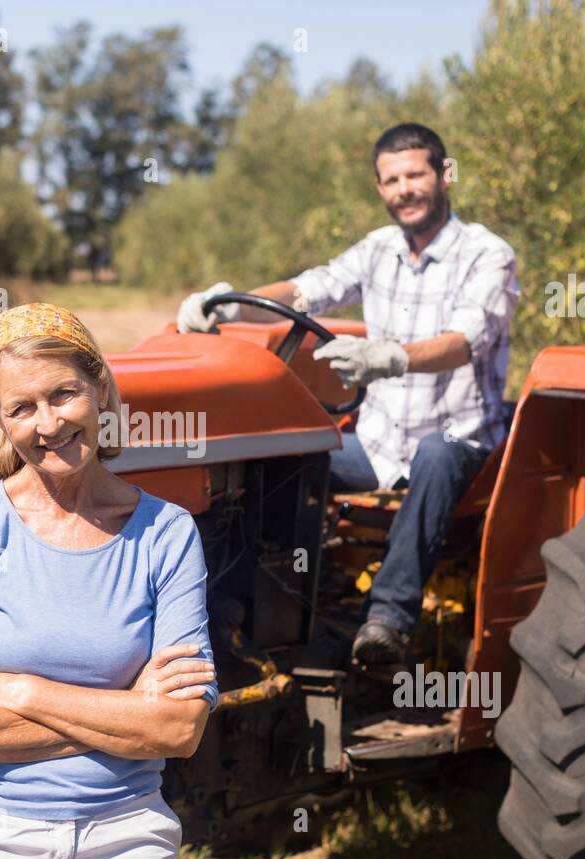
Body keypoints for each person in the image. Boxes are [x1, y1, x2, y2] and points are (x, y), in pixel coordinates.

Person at [176, 122, 520, 669]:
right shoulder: (379, 249)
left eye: (415, 174)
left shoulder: (487, 254)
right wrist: (229, 304)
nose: (403, 189)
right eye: (390, 180)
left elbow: (465, 342)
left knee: (435, 451)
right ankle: (245, 612)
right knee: (285, 460)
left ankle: (387, 619)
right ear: (380, 189)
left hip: (462, 443)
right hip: (380, 446)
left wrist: (392, 357)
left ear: (444, 174)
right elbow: (309, 289)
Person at [0, 301, 220, 859]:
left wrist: (25, 692)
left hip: (128, 826)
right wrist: (129, 712)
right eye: (22, 408)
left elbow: (179, 729)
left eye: (63, 394)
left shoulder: (167, 532)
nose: (49, 424)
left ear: (100, 388)